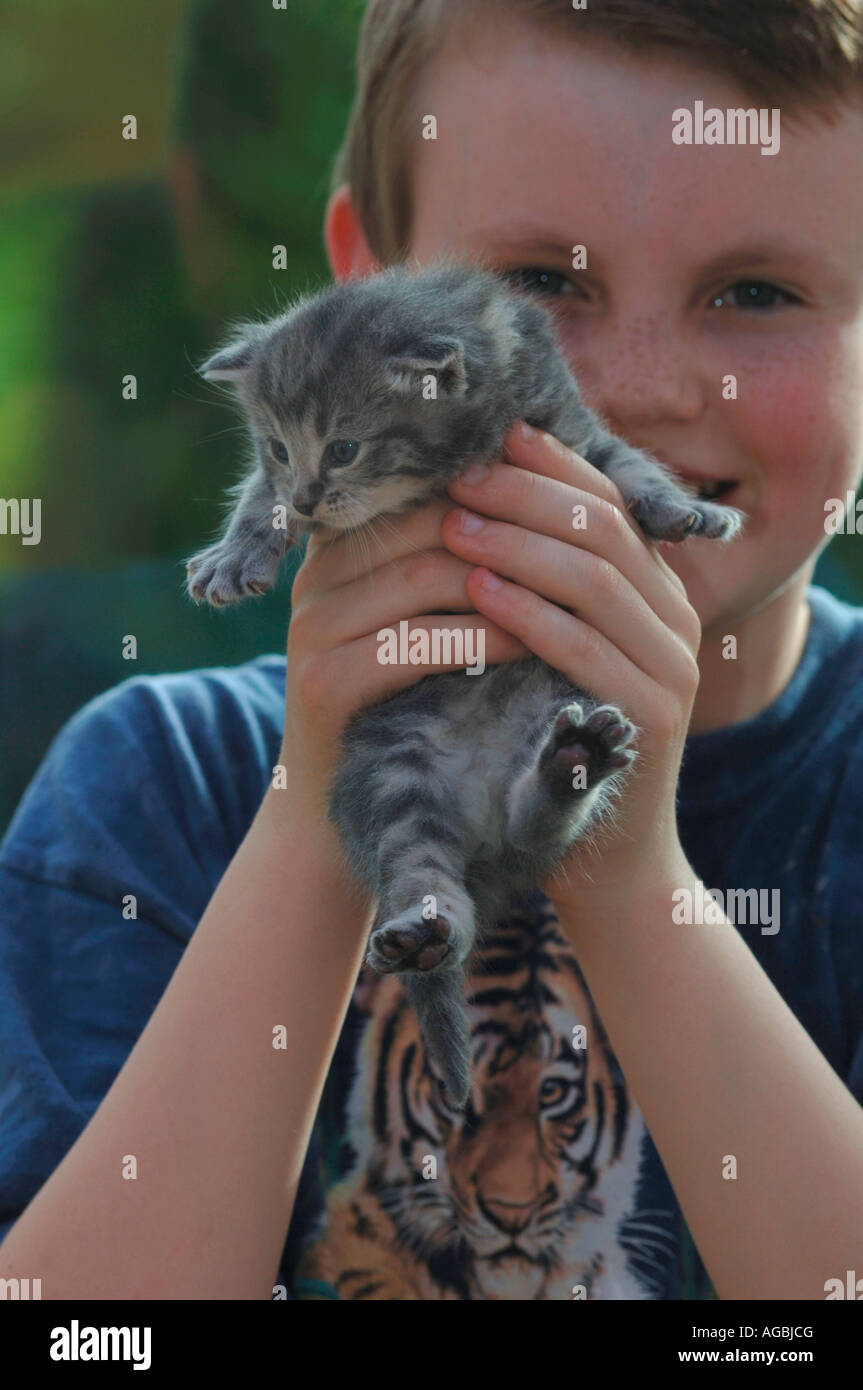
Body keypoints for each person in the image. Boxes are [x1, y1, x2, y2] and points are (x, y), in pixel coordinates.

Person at [2, 0, 863, 1300]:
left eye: (757, 292)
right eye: (545, 282)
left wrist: (627, 869)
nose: (637, 384)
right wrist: (314, 816)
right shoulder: (159, 788)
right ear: (361, 300)